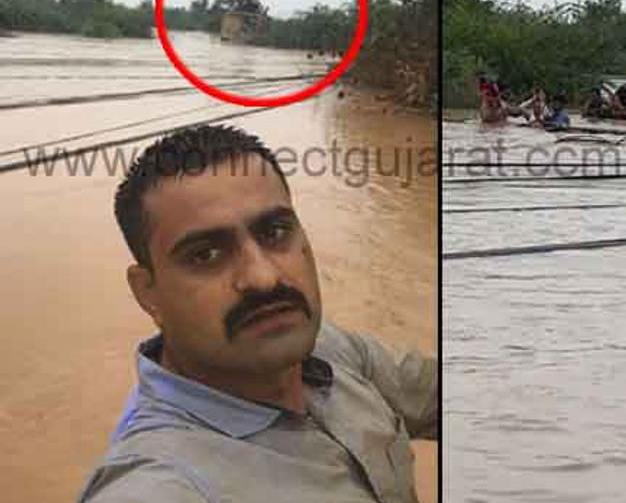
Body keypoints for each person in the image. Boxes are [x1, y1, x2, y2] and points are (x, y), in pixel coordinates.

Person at [77, 125, 438, 503]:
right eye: (206, 255)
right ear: (147, 293)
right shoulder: (160, 482)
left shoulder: (330, 353)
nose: (263, 278)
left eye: (276, 232)